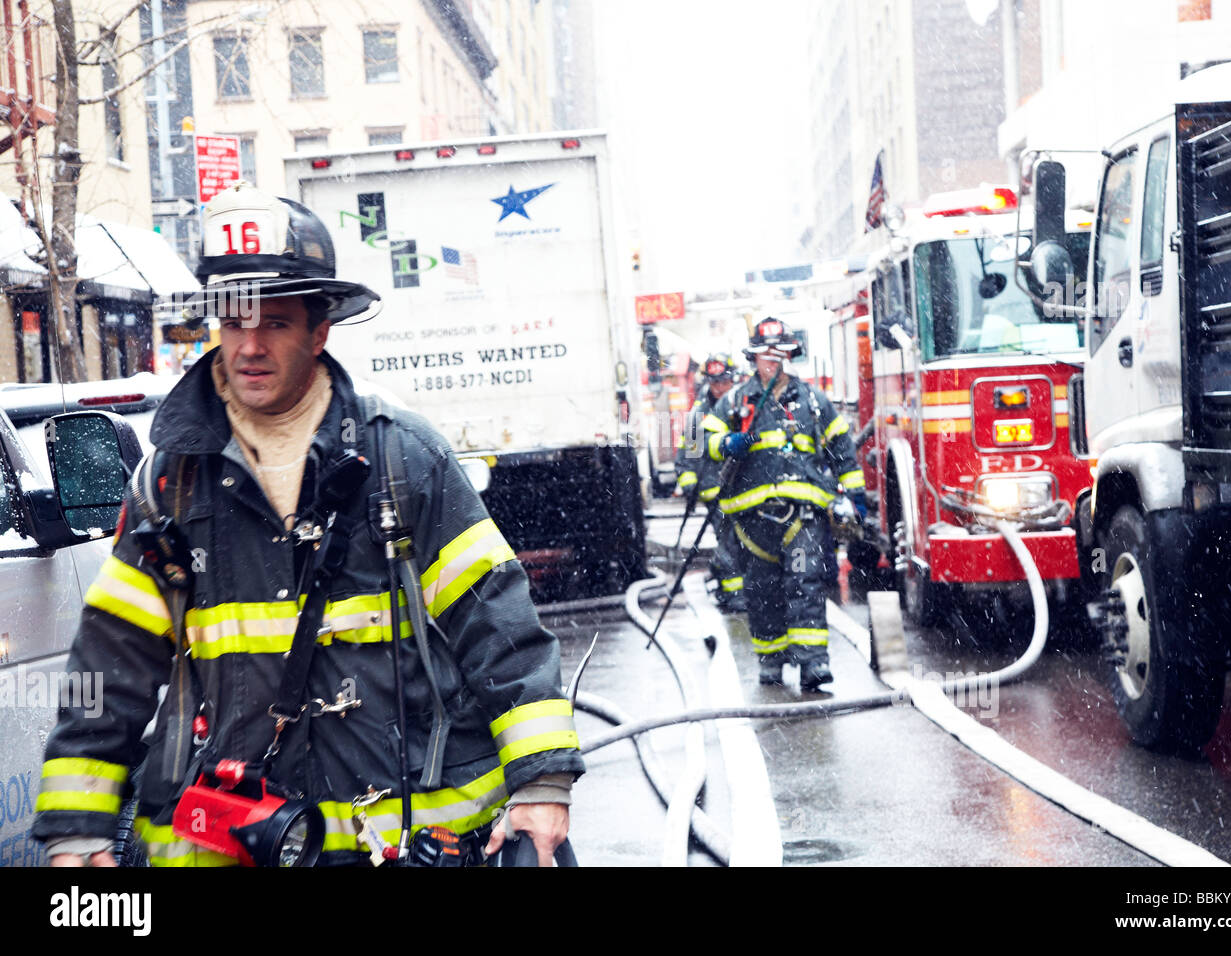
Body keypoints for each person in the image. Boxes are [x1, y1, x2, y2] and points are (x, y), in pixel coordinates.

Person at [31, 181, 583, 867]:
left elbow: (499, 629)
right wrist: (77, 828)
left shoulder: (402, 459)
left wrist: (542, 779)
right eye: (234, 321)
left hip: (401, 844)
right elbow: (107, 670)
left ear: (320, 331)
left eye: (276, 322)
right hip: (233, 847)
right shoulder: (171, 485)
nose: (250, 344)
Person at [705, 318, 868, 690]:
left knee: (806, 585)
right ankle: (772, 660)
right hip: (751, 520)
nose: (772, 361)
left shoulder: (812, 401)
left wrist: (855, 495)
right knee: (762, 592)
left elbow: (841, 447)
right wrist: (728, 443)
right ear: (754, 358)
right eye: (765, 354)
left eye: (780, 354)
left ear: (790, 356)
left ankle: (813, 663)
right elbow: (703, 442)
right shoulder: (734, 401)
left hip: (804, 515)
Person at [674, 352, 746, 611]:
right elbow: (687, 455)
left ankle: (729, 577)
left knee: (746, 540)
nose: (720, 387)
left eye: (724, 381)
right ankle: (733, 591)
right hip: (714, 490)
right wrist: (690, 483)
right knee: (728, 540)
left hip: (746, 488)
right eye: (715, 382)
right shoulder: (699, 414)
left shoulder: (743, 405)